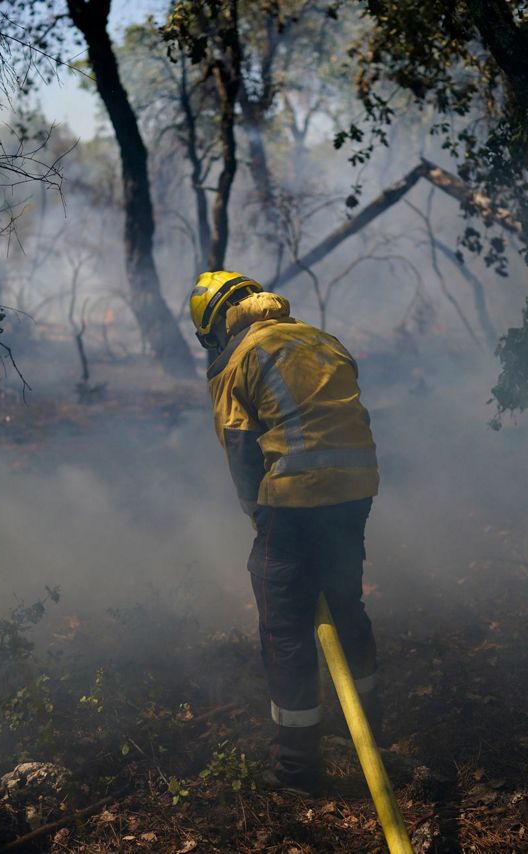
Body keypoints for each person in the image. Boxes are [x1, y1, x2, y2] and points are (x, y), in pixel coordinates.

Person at [188, 270, 382, 792]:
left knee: (286, 627)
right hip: (356, 492)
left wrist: (256, 512)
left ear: (216, 326)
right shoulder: (320, 338)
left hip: (294, 503)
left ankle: (298, 769)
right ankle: (371, 732)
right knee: (345, 606)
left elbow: (239, 446)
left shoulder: (237, 359)